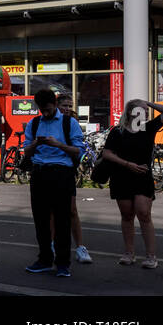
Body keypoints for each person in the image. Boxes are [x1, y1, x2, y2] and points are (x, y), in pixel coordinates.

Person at [100, 98, 163, 269]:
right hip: (122, 176)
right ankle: (129, 253)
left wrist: (147, 103)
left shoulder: (148, 127)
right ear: (130, 112)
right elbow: (107, 153)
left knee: (144, 213)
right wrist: (127, 164)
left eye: (145, 111)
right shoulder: (118, 131)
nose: (145, 113)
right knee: (126, 215)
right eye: (140, 110)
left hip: (142, 177)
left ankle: (151, 256)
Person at [22, 88, 84, 277]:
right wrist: (35, 144)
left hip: (61, 174)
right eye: (42, 110)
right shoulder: (33, 123)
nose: (45, 113)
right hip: (39, 174)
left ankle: (63, 263)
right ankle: (45, 259)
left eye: (48, 109)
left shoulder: (69, 123)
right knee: (40, 220)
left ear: (55, 104)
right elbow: (26, 151)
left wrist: (57, 144)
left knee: (62, 220)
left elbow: (79, 151)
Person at [54, 95, 90, 264]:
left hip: (68, 170)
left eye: (69, 105)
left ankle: (81, 247)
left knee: (71, 210)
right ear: (56, 106)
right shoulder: (48, 122)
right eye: (64, 105)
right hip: (51, 170)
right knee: (52, 212)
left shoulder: (72, 123)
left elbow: (79, 148)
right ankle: (53, 245)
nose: (67, 108)